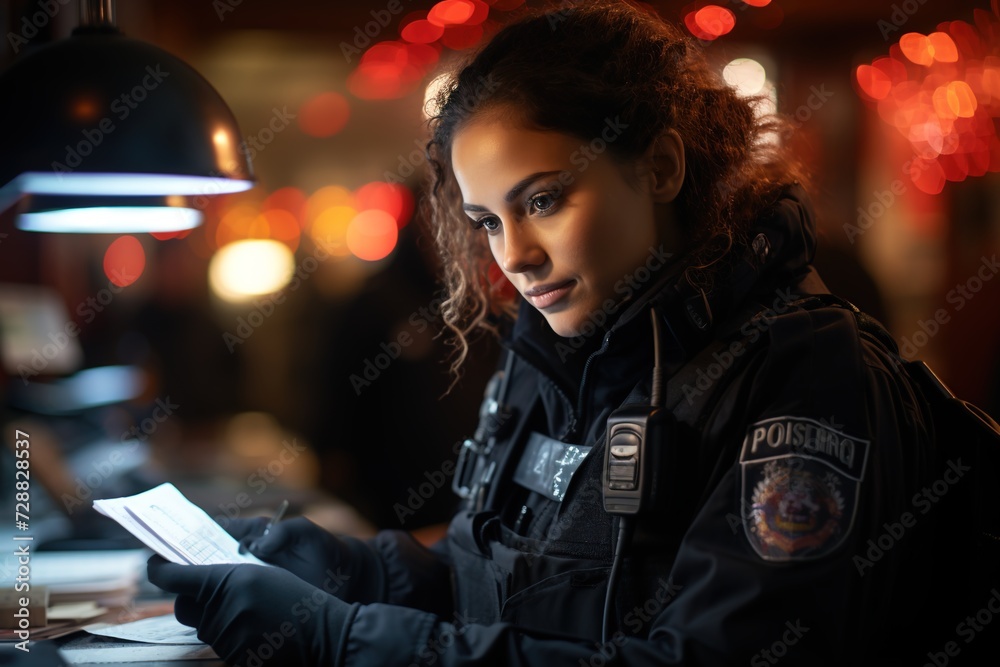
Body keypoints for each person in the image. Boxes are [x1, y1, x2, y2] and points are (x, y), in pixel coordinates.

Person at [146, 2, 975, 664]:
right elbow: (501, 584)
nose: (515, 256)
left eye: (542, 200)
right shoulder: (557, 350)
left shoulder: (805, 370)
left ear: (661, 167)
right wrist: (356, 569)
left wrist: (346, 640)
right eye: (487, 221)